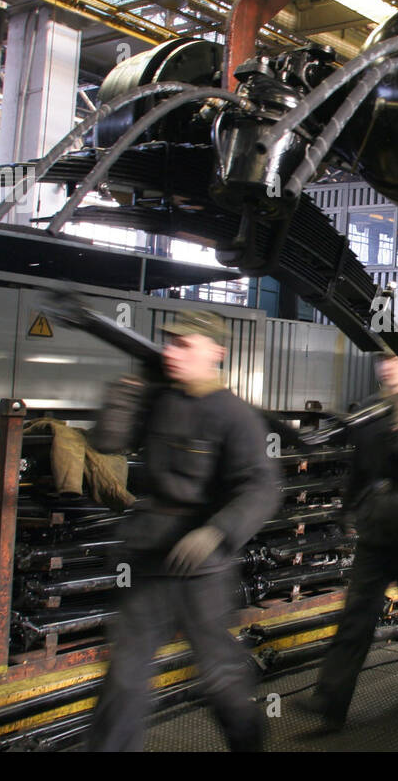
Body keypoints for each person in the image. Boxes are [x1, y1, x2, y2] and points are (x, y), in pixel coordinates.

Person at [86, 310, 280, 752]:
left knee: (220, 678)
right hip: (150, 558)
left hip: (202, 570)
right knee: (125, 676)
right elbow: (107, 443)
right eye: (170, 343)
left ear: (216, 353)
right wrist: (122, 400)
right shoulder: (160, 398)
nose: (172, 352)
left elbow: (262, 487)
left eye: (184, 345)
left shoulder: (236, 415)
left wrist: (216, 532)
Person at [297, 349, 398, 732]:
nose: (387, 367)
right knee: (356, 616)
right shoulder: (369, 409)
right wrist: (347, 510)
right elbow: (361, 466)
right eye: (382, 360)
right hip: (378, 530)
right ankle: (330, 705)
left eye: (397, 359)